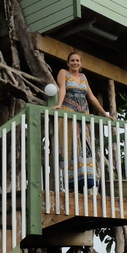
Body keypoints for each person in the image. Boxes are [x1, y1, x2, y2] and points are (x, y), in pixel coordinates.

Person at [53, 52, 112, 190]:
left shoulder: (83, 77)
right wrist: (59, 105)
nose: (75, 63)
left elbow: (91, 97)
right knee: (72, 146)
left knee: (85, 146)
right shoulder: (63, 73)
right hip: (69, 112)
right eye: (72, 60)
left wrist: (104, 113)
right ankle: (72, 183)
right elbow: (62, 89)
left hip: (83, 114)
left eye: (77, 61)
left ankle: (85, 180)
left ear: (80, 63)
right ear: (68, 63)